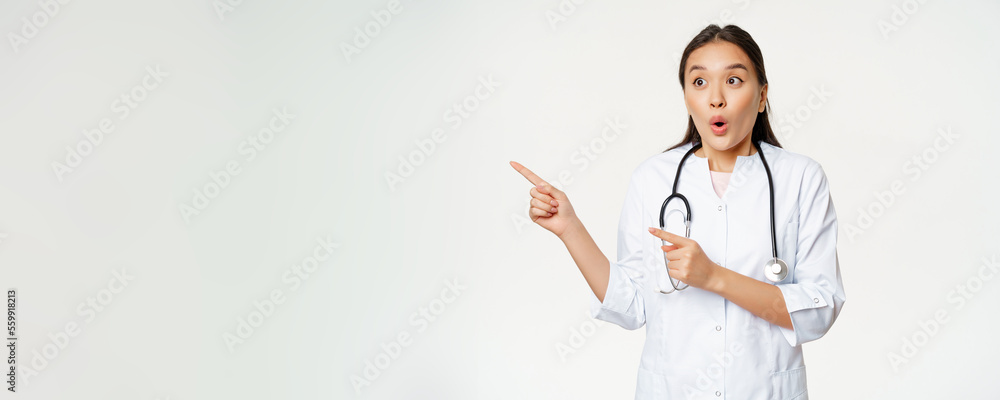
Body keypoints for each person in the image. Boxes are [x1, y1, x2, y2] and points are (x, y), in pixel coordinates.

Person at [510, 24, 846, 399]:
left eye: (734, 80)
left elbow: (820, 308)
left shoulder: (801, 178)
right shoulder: (653, 178)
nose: (716, 99)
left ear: (762, 95)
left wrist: (713, 277)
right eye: (699, 83)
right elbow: (632, 305)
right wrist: (569, 228)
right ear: (686, 97)